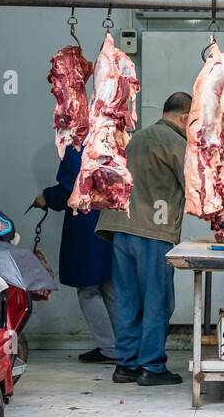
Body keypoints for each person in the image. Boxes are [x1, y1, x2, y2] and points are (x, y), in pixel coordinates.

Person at [97, 92, 191, 387]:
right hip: (153, 230)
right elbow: (196, 188)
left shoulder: (136, 138)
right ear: (184, 118)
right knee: (156, 299)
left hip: (121, 228)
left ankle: (126, 364)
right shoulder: (175, 142)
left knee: (127, 299)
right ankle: (152, 366)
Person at [33, 145, 117, 365]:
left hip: (86, 222)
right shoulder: (111, 143)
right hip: (113, 221)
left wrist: (46, 197)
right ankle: (125, 345)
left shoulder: (78, 147)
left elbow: (70, 189)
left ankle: (110, 348)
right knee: (110, 285)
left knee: (88, 289)